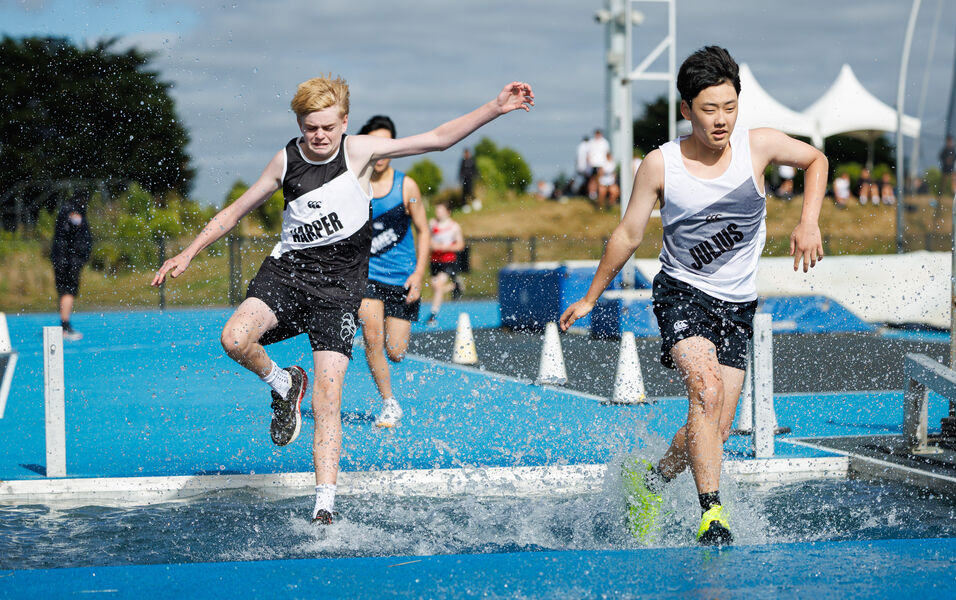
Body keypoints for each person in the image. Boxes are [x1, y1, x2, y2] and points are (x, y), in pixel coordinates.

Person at [151, 76, 534, 525]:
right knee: (234, 339)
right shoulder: (285, 160)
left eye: (328, 127)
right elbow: (235, 211)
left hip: (337, 293)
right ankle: (283, 383)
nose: (319, 135)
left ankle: (324, 506)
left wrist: (495, 106)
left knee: (327, 402)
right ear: (299, 123)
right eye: (310, 126)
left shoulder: (360, 152)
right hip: (287, 276)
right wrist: (188, 251)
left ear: (344, 122)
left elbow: (437, 139)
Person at [560, 46, 826, 546]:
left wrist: (808, 220)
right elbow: (627, 234)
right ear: (686, 109)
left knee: (716, 428)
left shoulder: (758, 147)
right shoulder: (661, 166)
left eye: (729, 107)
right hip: (682, 292)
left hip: (737, 304)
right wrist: (593, 296)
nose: (721, 120)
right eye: (709, 109)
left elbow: (816, 159)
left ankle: (653, 480)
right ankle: (712, 515)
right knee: (703, 390)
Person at [356, 115, 431, 430]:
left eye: (388, 144)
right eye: (376, 144)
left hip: (402, 279)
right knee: (372, 338)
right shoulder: (355, 184)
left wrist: (418, 274)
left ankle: (391, 380)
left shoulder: (407, 187)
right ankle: (389, 403)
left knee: (396, 351)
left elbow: (423, 230)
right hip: (367, 278)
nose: (382, 151)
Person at [51, 196, 93, 341]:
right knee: (68, 291)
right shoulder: (73, 213)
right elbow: (74, 228)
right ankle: (65, 327)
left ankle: (64, 325)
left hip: (61, 258)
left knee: (64, 291)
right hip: (69, 260)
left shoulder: (63, 212)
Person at [427, 203, 465, 323]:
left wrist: (445, 248)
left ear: (448, 212)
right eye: (437, 210)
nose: (438, 213)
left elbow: (460, 245)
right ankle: (455, 285)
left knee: (438, 286)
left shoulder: (454, 227)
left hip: (448, 261)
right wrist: (431, 245)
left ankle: (433, 314)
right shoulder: (432, 224)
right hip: (434, 261)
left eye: (441, 210)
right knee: (435, 287)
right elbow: (427, 239)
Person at [586, 129, 611, 200]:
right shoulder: (591, 142)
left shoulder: (604, 142)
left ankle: (600, 193)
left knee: (600, 179)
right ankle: (592, 193)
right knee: (593, 179)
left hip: (601, 164)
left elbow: (607, 154)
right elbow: (588, 154)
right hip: (593, 164)